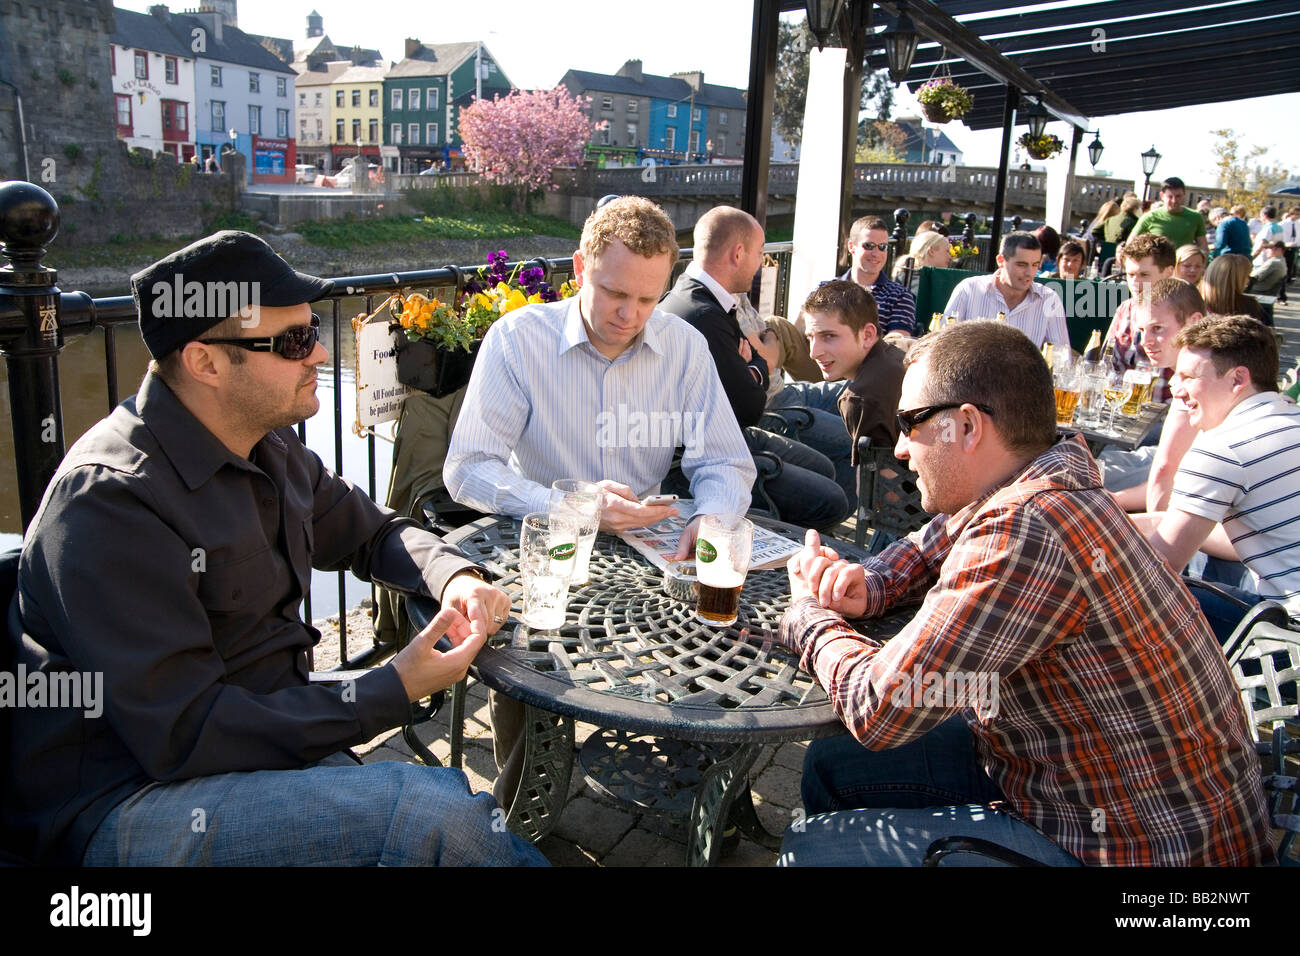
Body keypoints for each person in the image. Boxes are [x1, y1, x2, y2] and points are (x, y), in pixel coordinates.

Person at [3, 231, 546, 867]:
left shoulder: (268, 445)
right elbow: (185, 731)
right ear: (205, 362)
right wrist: (390, 687)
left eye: (311, 327)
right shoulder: (111, 502)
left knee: (458, 827)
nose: (319, 350)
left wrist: (452, 577)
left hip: (250, 738)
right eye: (291, 341)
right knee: (433, 815)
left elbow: (372, 532)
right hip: (127, 800)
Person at [774, 320, 1273, 867]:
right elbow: (932, 541)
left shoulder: (1025, 529)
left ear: (966, 426)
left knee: (808, 848)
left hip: (1140, 852)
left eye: (910, 424)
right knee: (831, 764)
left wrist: (808, 614)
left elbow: (881, 708)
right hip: (1093, 788)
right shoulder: (1047, 473)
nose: (898, 448)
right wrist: (869, 585)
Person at [441, 197, 756, 804]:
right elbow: (467, 471)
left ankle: (703, 790)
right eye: (616, 293)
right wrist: (579, 507)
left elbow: (724, 461)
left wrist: (713, 517)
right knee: (526, 649)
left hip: (646, 551)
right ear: (580, 268)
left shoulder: (683, 346)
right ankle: (521, 800)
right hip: (546, 544)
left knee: (722, 625)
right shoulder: (517, 339)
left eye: (648, 298)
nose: (631, 314)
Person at [658, 206, 849, 529]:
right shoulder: (704, 315)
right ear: (738, 253)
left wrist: (752, 368)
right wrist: (755, 369)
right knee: (831, 501)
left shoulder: (697, 298)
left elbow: (755, 365)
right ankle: (784, 565)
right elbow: (749, 406)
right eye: (760, 253)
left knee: (825, 468)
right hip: (706, 456)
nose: (761, 263)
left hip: (729, 436)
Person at [1133, 314, 1300, 640]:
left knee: (1135, 598)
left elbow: (1154, 575)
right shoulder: (1289, 415)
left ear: (1238, 379)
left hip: (1288, 641)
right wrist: (1108, 524)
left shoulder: (1222, 448)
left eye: (1186, 377)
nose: (1174, 389)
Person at [1103, 278, 1205, 510]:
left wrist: (1107, 503)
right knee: (1088, 466)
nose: (1145, 342)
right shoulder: (1190, 368)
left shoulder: (1202, 378)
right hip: (1183, 471)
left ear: (1194, 322)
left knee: (1083, 480)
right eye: (1141, 330)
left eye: (1157, 329)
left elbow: (1169, 473)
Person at [800, 280, 905, 467]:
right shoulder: (895, 357)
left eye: (829, 336)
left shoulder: (860, 398)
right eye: (810, 338)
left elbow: (879, 489)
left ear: (867, 335)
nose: (813, 353)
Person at [942, 231, 1069, 349]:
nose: (1030, 273)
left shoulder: (1049, 300)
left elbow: (1061, 360)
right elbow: (942, 346)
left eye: (1035, 265)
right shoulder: (969, 289)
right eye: (1021, 265)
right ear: (1001, 261)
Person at [1101, 233, 1176, 377]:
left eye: (1144, 275)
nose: (1135, 283)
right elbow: (1107, 363)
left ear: (1168, 272)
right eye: (1130, 275)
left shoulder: (1185, 313)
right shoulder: (1125, 309)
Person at [836, 215, 917, 336]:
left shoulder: (899, 296)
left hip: (874, 355)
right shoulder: (827, 289)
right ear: (851, 247)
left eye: (882, 247)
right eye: (869, 246)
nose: (876, 253)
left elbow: (896, 346)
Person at [1130, 177, 1208, 252]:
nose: (1174, 200)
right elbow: (1131, 243)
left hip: (1184, 264)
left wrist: (1201, 263)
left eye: (1178, 196)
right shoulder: (1150, 217)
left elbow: (1203, 247)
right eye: (1170, 197)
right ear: (1162, 196)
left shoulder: (1195, 217)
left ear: (1184, 194)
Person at [1201, 253, 1266, 323]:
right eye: (1246, 276)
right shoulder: (1248, 306)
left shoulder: (1195, 302)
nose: (1248, 281)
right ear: (1236, 279)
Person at [1090, 194, 1139, 265]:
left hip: (1106, 250)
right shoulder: (1135, 222)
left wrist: (1101, 243)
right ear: (1135, 209)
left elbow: (1094, 231)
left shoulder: (1111, 219)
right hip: (1121, 254)